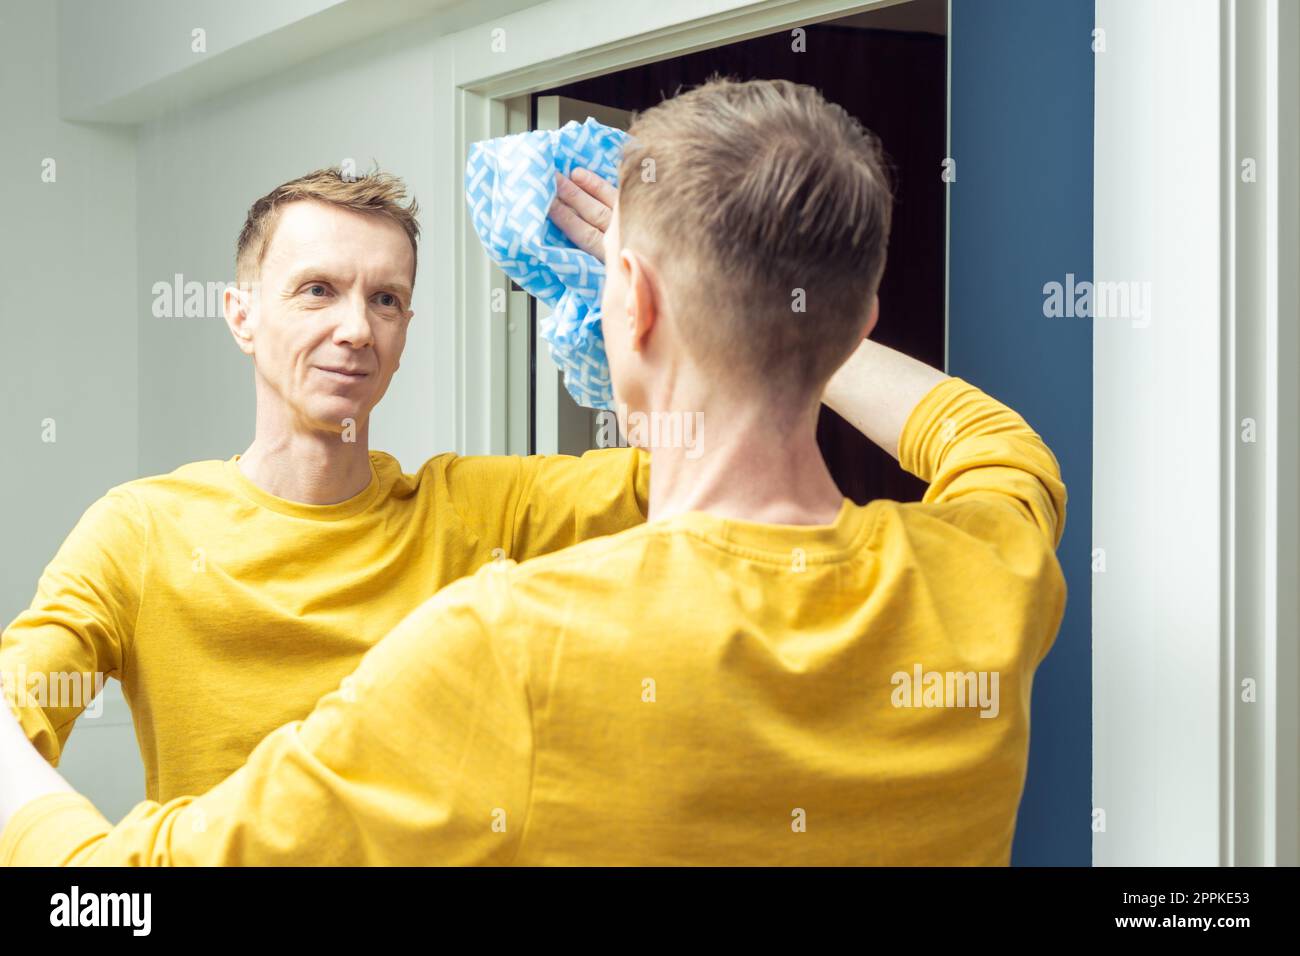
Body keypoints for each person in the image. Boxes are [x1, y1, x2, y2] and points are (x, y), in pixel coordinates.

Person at [0, 76, 1066, 866]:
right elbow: (992, 445)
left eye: (384, 299)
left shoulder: (501, 637)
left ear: (630, 304)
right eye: (315, 290)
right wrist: (789, 308)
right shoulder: (994, 569)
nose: (352, 329)